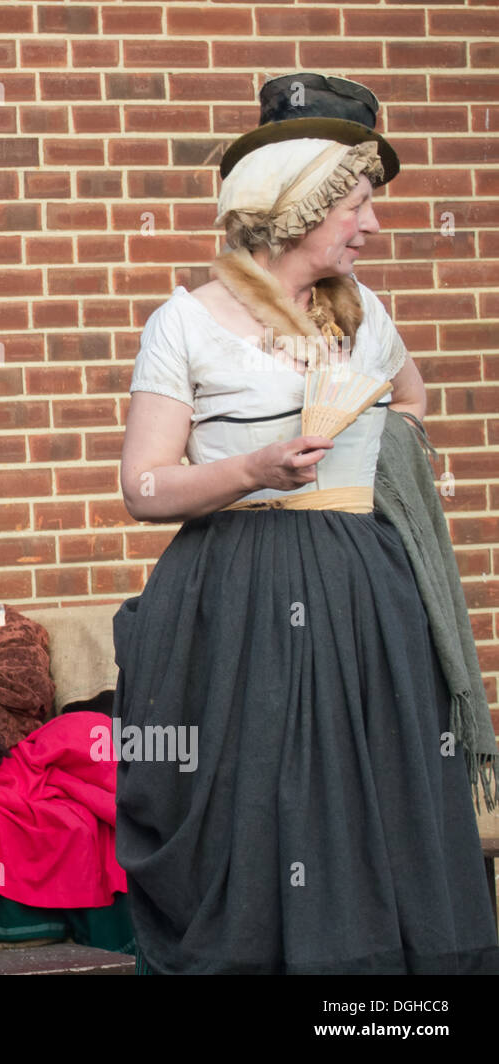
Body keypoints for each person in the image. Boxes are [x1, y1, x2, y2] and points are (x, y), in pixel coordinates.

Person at [114, 73, 499, 974]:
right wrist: (253, 468)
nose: (372, 227)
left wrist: (379, 446)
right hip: (239, 594)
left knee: (385, 792)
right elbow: (144, 487)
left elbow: (410, 403)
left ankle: (385, 1008)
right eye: (357, 207)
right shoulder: (188, 323)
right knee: (263, 796)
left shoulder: (366, 318)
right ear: (295, 208)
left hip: (369, 587)